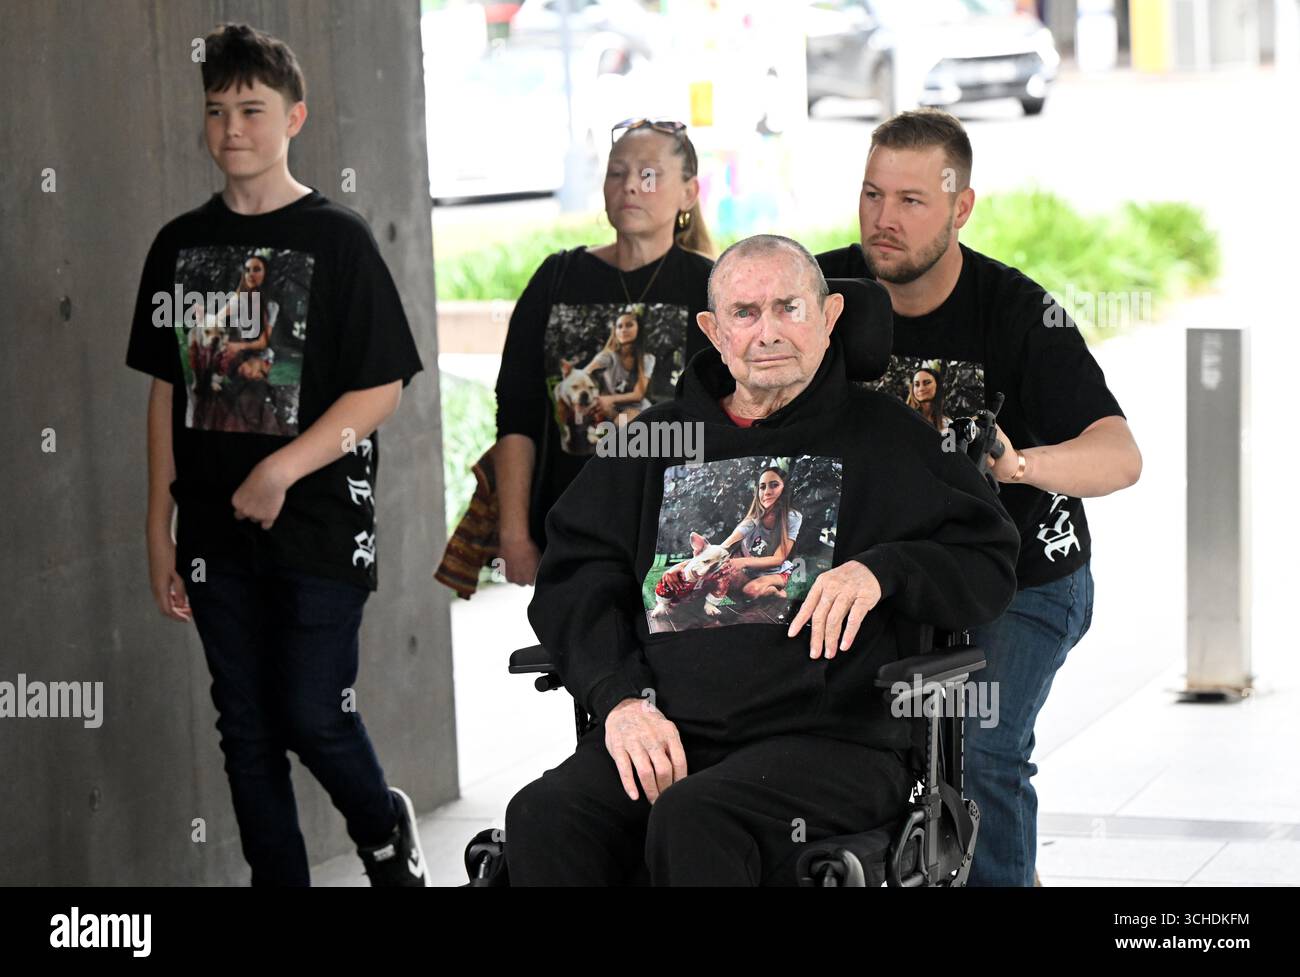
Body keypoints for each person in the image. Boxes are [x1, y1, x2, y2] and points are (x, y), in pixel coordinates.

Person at [504, 234, 1020, 886]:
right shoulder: (653, 442)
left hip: (831, 743)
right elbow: (575, 578)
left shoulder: (890, 439)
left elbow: (990, 559)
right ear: (714, 331)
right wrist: (620, 701)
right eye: (745, 313)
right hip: (670, 727)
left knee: (696, 815)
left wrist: (885, 568)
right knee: (544, 814)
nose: (768, 331)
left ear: (830, 317)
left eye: (789, 308)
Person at [124, 23, 426, 886]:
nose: (232, 130)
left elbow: (381, 391)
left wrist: (283, 468)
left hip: (322, 525)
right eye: (216, 110)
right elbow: (167, 388)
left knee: (312, 713)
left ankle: (381, 837)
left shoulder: (340, 240)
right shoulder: (177, 247)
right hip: (214, 532)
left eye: (252, 110)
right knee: (246, 725)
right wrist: (159, 526)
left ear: (295, 117)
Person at [817, 108, 1143, 886]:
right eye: (870, 194)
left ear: (961, 208)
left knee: (979, 746)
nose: (882, 220)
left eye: (910, 201)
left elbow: (1120, 455)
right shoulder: (820, 292)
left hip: (1024, 576)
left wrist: (1018, 463)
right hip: (883, 576)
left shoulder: (1018, 312)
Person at [492, 118, 715, 585]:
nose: (631, 185)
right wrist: (514, 536)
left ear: (688, 194)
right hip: (569, 543)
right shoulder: (556, 280)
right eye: (617, 172)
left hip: (679, 548)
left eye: (649, 174)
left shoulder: (715, 289)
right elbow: (516, 415)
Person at [715, 465, 802, 601]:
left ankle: (776, 593)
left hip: (777, 573)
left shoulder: (792, 517)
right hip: (751, 571)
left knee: (751, 590)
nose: (767, 492)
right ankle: (755, 593)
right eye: (762, 487)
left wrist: (743, 562)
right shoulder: (753, 519)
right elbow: (727, 544)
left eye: (774, 485)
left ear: (785, 489)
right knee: (721, 580)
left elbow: (778, 558)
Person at [584, 310, 654, 424]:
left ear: (639, 329)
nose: (623, 330)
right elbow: (584, 374)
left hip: (638, 409)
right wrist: (596, 396)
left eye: (629, 325)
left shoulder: (647, 359)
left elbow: (638, 395)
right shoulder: (607, 356)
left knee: (627, 422)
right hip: (610, 408)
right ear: (614, 331)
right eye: (619, 326)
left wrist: (608, 399)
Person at [906, 366, 950, 432]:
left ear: (937, 386)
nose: (921, 389)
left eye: (927, 383)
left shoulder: (947, 424)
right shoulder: (904, 417)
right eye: (917, 384)